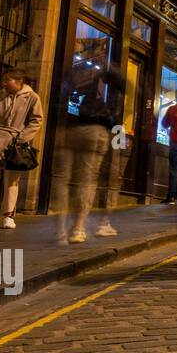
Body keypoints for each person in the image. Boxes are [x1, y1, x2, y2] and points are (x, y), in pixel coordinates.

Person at [51, 69, 123, 243]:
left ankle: (60, 230)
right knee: (86, 180)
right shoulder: (113, 89)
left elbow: (59, 99)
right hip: (95, 132)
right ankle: (78, 228)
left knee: (62, 179)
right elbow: (116, 119)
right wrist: (117, 142)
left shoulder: (75, 77)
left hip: (68, 130)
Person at [0, 69, 44, 230]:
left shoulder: (32, 97)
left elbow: (36, 120)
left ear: (19, 81)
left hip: (15, 144)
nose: (4, 83)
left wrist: (21, 138)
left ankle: (8, 215)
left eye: (8, 80)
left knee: (11, 181)